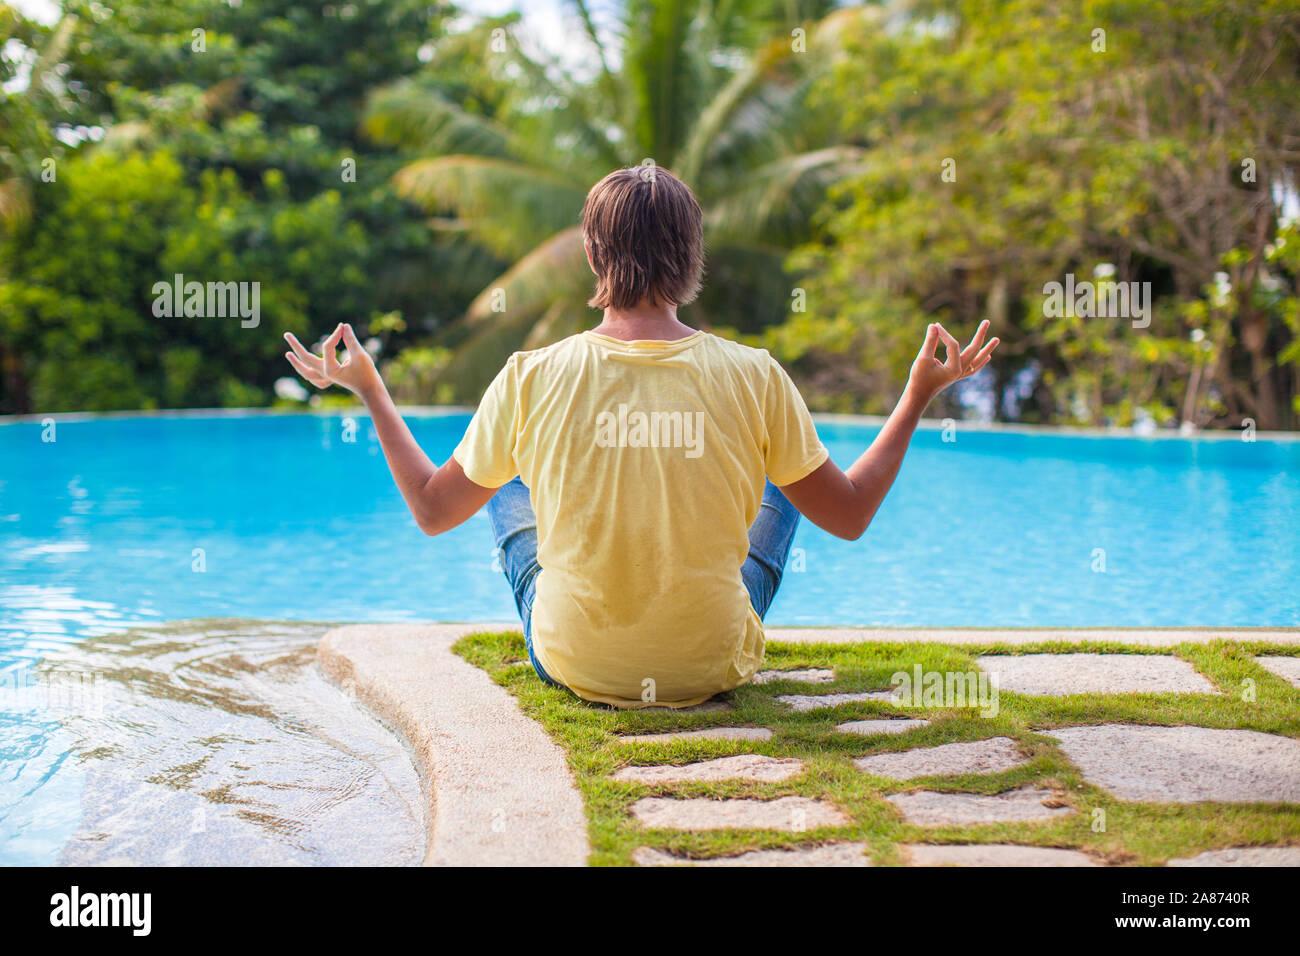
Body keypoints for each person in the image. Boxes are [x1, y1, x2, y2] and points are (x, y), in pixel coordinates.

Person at [284, 165, 998, 709]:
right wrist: (917, 395)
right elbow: (848, 514)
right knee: (787, 473)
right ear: (691, 256)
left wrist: (372, 390)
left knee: (506, 474)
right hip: (710, 663)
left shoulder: (532, 375)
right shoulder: (754, 374)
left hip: (576, 663)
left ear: (594, 255)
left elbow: (434, 511)